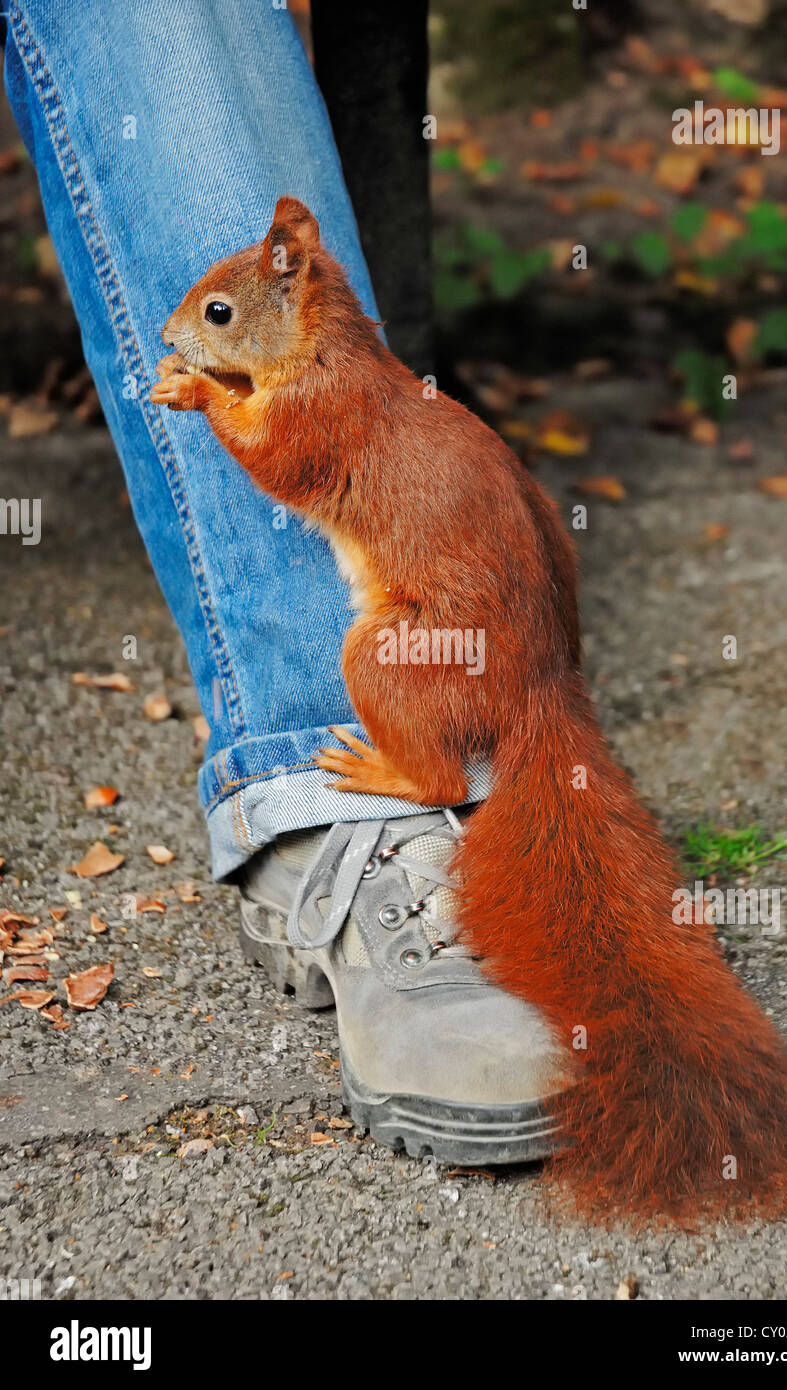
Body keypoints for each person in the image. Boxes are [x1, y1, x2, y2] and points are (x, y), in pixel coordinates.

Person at [4, 0, 566, 1163]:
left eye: (218, 321)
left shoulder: (308, 369)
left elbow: (301, 453)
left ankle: (325, 773)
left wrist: (217, 394)